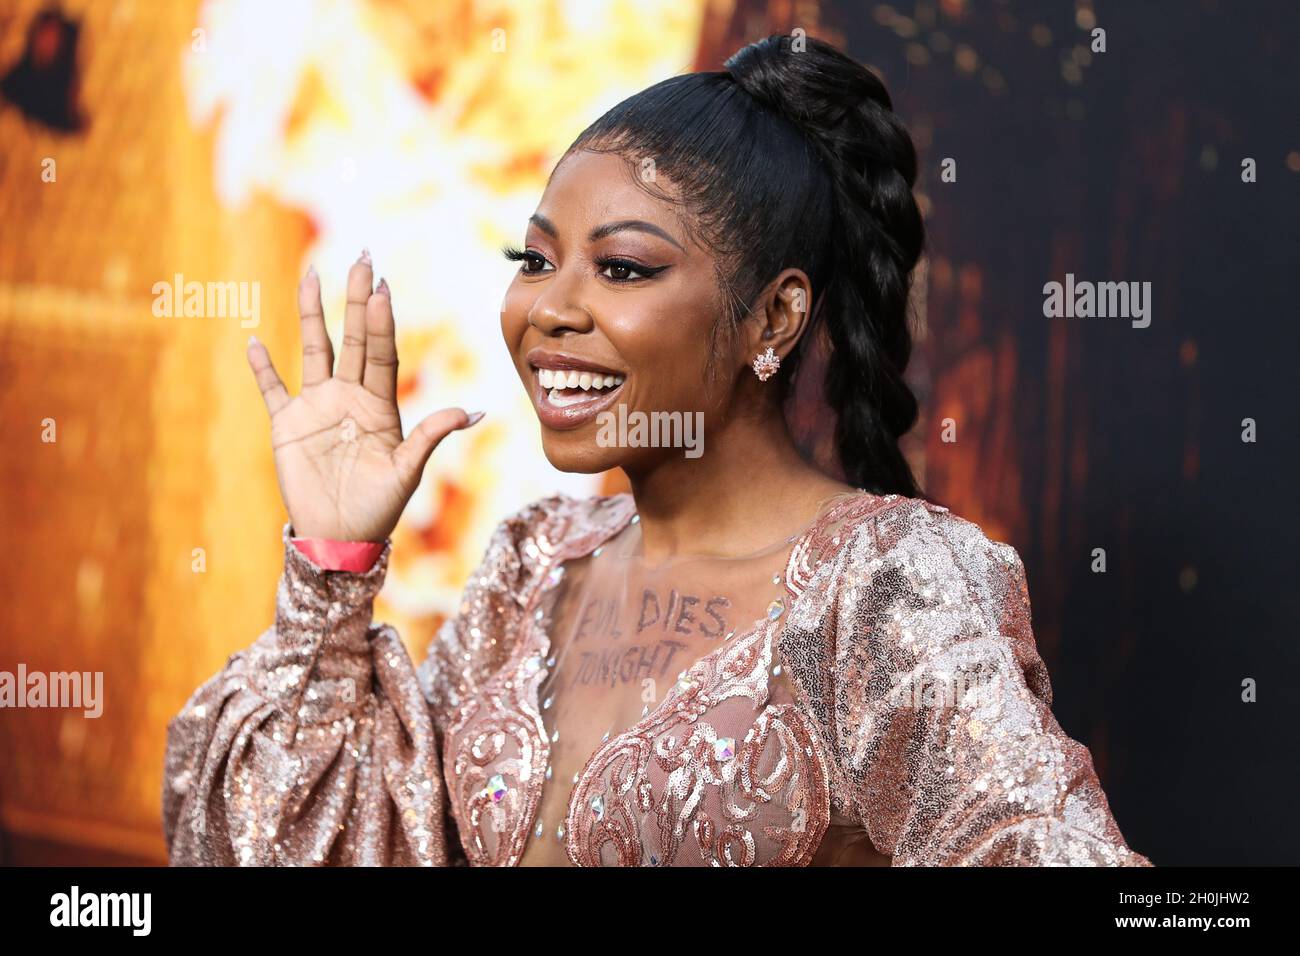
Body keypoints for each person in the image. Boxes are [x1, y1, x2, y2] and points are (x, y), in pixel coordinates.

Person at [162, 34, 1152, 867]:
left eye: (623, 267)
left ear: (773, 316)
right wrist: (332, 566)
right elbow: (308, 846)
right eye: (537, 260)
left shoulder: (884, 587)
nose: (550, 308)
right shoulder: (530, 568)